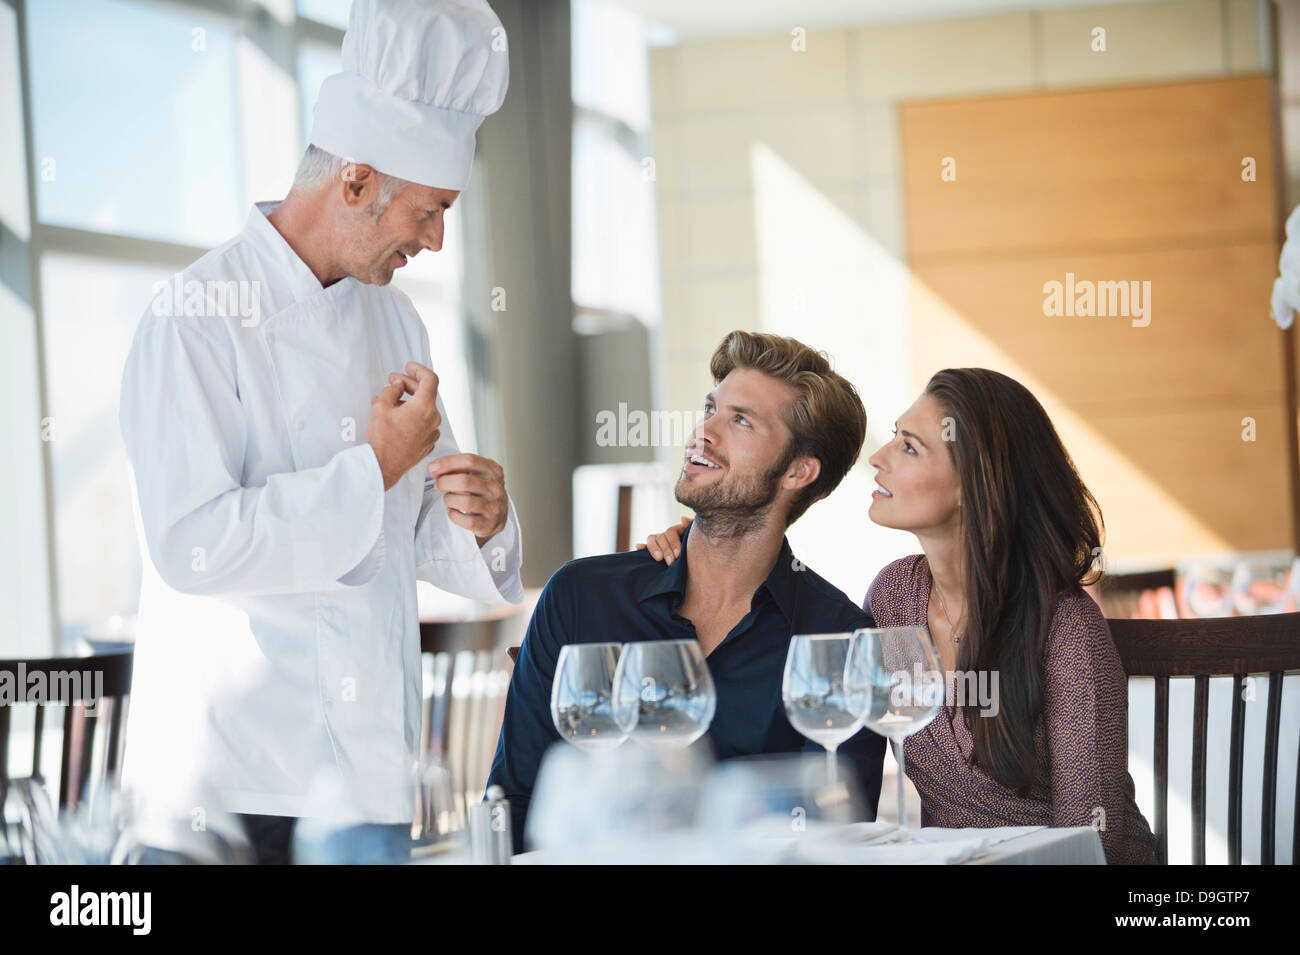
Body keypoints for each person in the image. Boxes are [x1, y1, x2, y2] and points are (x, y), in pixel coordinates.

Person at [118, 0, 521, 864]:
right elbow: (190, 544)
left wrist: (478, 515)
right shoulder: (196, 316)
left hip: (371, 769)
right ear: (356, 180)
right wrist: (371, 466)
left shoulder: (399, 325)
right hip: (232, 780)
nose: (438, 240)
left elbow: (411, 529)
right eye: (429, 209)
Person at [645, 368, 1158, 865]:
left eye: (910, 447)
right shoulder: (896, 598)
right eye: (894, 437)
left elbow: (1095, 843)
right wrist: (701, 543)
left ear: (973, 485)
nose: (878, 458)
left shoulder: (1066, 629)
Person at [487, 331, 887, 853]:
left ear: (798, 470)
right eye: (709, 409)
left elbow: (836, 836)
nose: (702, 433)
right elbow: (512, 802)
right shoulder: (582, 597)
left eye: (740, 420)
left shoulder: (840, 637)